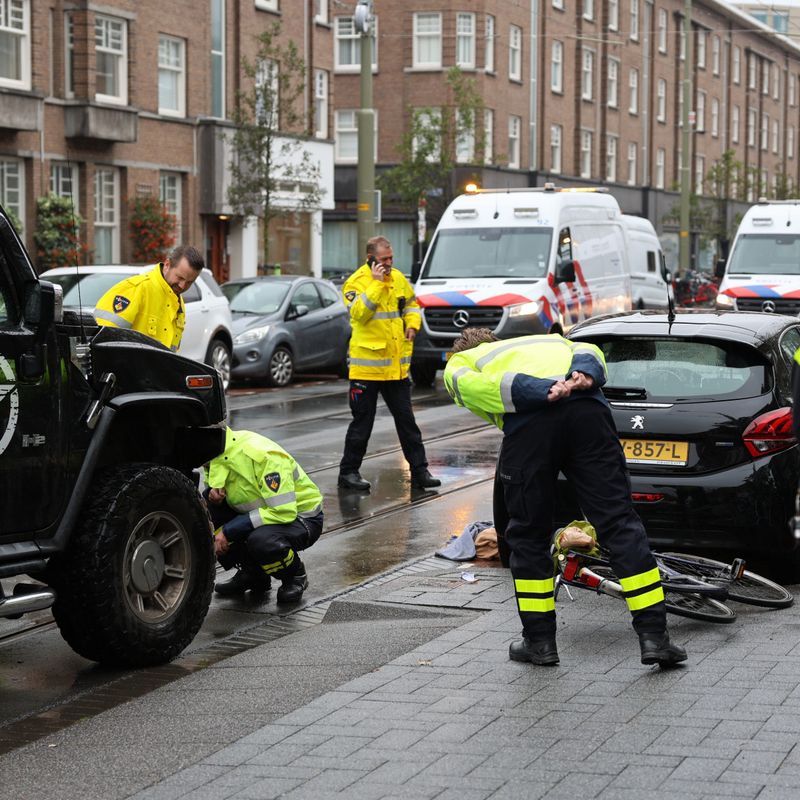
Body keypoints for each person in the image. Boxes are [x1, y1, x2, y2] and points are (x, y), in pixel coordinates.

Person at [443, 327, 687, 668]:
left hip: (530, 425)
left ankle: (540, 643)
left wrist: (542, 391)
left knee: (529, 535)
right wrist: (582, 376)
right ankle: (655, 638)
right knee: (619, 523)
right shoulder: (547, 341)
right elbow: (590, 352)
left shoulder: (460, 363)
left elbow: (479, 387)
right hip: (589, 414)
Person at [338, 235, 440, 491]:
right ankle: (348, 473)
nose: (389, 263)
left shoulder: (398, 278)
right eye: (384, 259)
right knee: (362, 424)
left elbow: (412, 304)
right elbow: (359, 314)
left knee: (407, 422)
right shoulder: (356, 282)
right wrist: (376, 284)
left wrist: (412, 324)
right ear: (370, 258)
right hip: (367, 369)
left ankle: (420, 471)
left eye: (391, 258)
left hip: (395, 369)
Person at [205, 427, 323, 603]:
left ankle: (294, 574)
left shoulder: (263, 456)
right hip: (264, 514)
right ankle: (253, 574)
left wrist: (229, 531)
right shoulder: (217, 454)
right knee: (203, 516)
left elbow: (283, 512)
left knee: (262, 541)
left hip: (302, 517)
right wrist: (214, 496)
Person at [94, 244, 205, 351]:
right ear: (167, 265)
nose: (182, 286)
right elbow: (102, 341)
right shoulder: (137, 288)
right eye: (180, 277)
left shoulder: (178, 303)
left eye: (189, 282)